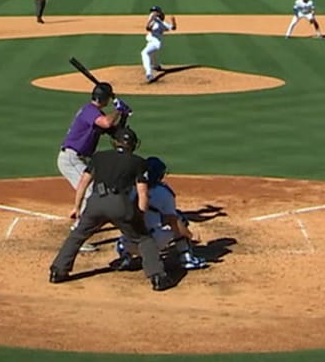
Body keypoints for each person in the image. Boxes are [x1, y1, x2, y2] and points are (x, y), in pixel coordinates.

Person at [50, 126, 172, 291]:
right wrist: (140, 218)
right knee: (143, 239)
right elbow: (143, 194)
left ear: (115, 143)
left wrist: (77, 207)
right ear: (134, 145)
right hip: (120, 205)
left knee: (77, 235)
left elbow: (83, 183)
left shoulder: (99, 157)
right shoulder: (138, 162)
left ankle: (57, 272)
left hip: (95, 203)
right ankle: (157, 277)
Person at [57, 82, 132, 251]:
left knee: (94, 189)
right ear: (104, 99)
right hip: (71, 158)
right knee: (90, 191)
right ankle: (78, 235)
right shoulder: (89, 110)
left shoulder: (97, 114)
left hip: (80, 159)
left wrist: (124, 115)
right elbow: (106, 123)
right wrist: (118, 110)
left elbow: (116, 133)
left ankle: (82, 220)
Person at [113, 156, 208, 272]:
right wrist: (188, 234)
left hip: (129, 242)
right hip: (154, 244)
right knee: (179, 218)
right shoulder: (164, 192)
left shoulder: (128, 190)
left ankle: (125, 257)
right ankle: (187, 259)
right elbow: (173, 221)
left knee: (125, 233)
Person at [141, 5, 177, 83]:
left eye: (154, 11)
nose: (152, 12)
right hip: (152, 42)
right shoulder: (156, 21)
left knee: (144, 53)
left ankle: (149, 74)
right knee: (152, 55)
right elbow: (148, 27)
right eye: (152, 11)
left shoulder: (159, 23)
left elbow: (148, 28)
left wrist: (173, 21)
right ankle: (157, 66)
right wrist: (152, 19)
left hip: (155, 43)